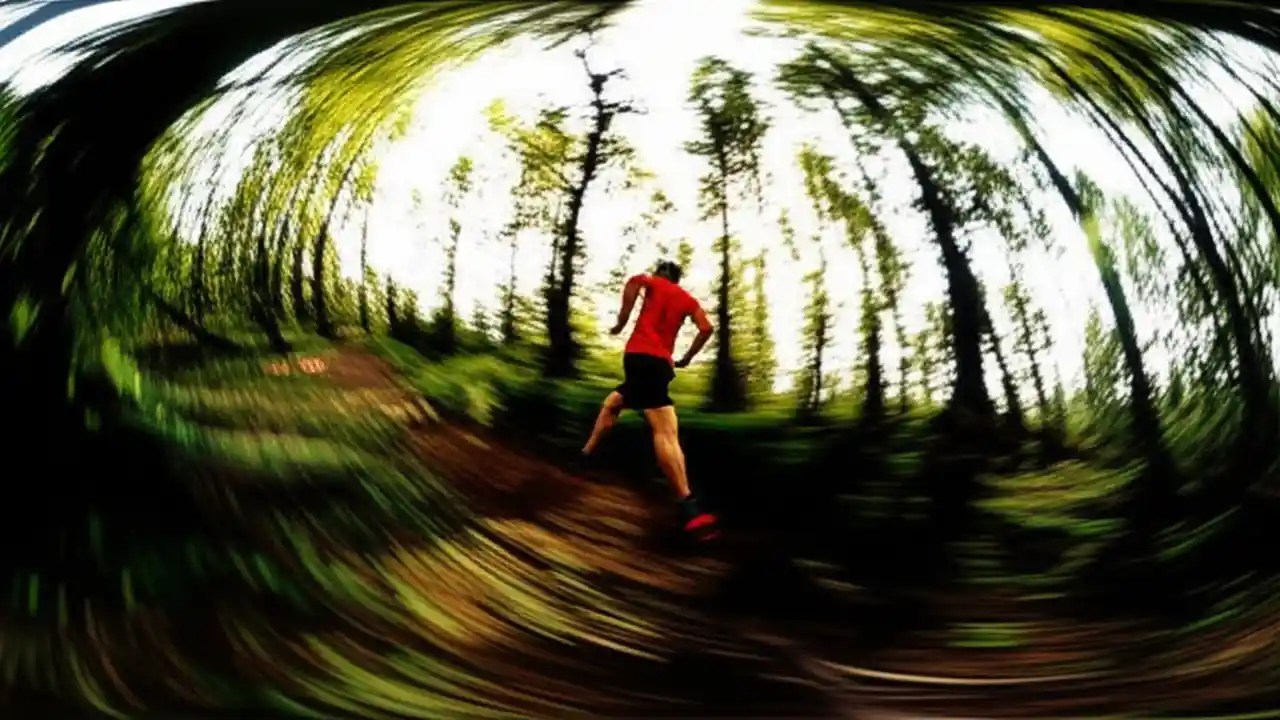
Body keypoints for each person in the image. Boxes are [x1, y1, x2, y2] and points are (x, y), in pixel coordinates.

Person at [577, 260, 718, 539]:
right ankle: (688, 505)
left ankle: (585, 457)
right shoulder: (687, 299)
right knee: (660, 428)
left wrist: (621, 322)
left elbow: (632, 283)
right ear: (676, 279)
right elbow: (706, 328)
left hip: (636, 358)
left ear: (659, 274)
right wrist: (687, 358)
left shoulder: (650, 282)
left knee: (620, 406)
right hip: (659, 364)